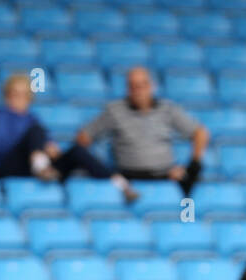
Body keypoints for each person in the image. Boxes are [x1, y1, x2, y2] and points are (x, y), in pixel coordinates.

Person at [0, 74, 137, 200]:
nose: (19, 99)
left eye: (24, 95)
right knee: (36, 131)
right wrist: (33, 148)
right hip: (8, 168)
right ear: (7, 96)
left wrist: (50, 149)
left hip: (33, 165)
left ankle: (120, 184)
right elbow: (0, 147)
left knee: (77, 151)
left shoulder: (32, 118)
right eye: (15, 94)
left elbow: (42, 142)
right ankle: (40, 166)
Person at [75, 67, 209, 197]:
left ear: (151, 86)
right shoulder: (114, 111)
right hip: (128, 177)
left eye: (141, 86)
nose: (137, 91)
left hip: (165, 176)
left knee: (194, 181)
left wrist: (192, 164)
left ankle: (186, 215)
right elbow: (84, 137)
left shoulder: (168, 109)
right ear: (128, 89)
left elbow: (200, 133)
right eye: (132, 86)